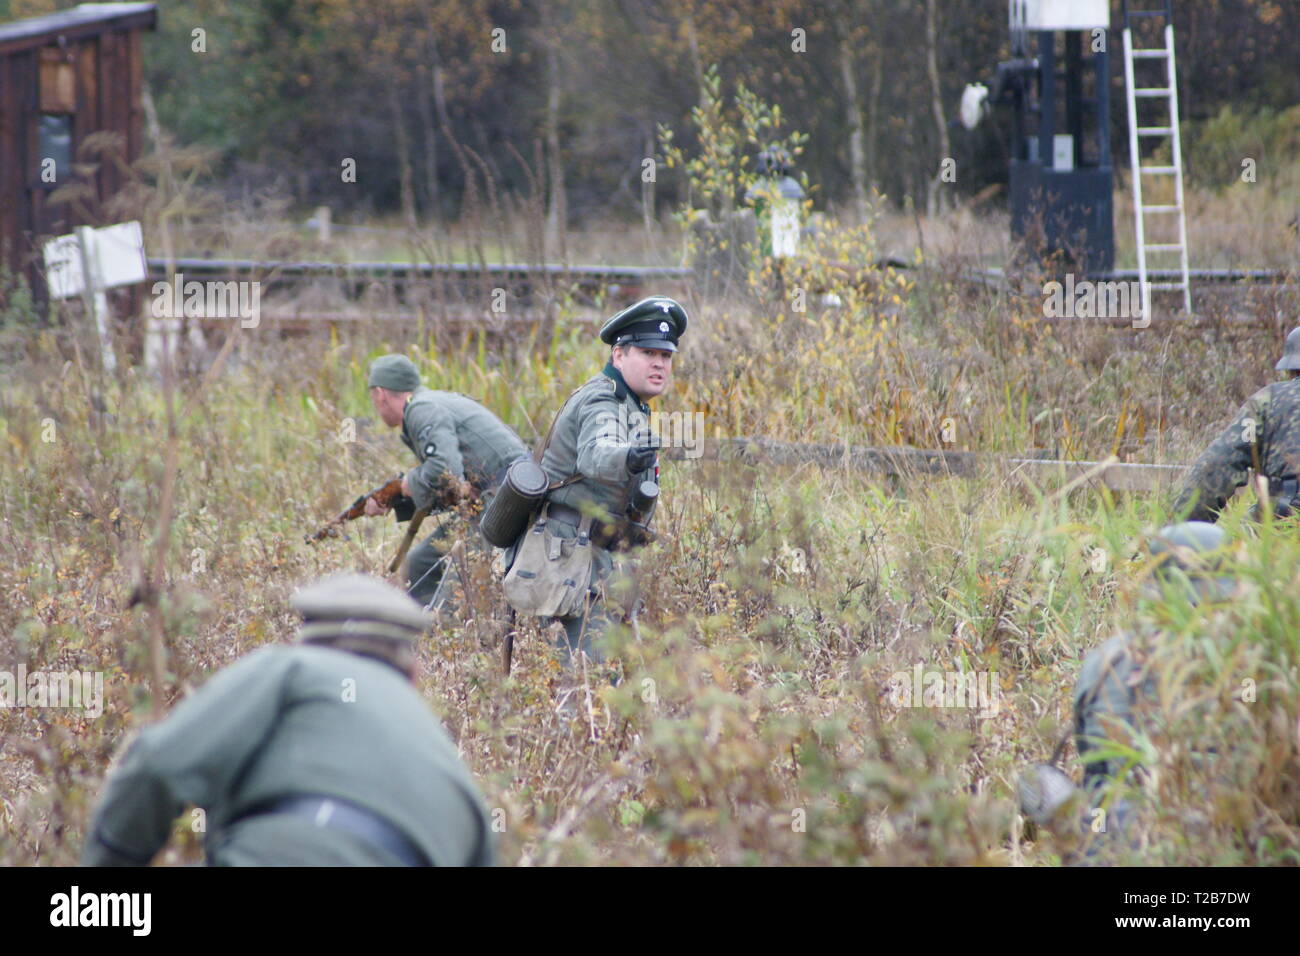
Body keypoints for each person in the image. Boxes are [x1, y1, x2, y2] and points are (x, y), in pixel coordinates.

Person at [82, 573, 494, 866]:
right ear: (412, 673)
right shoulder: (447, 759)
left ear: (305, 641)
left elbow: (156, 765)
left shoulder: (291, 669)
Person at [1019, 522, 1234, 846]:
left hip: (1109, 836)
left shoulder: (1105, 661)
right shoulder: (1246, 663)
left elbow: (1091, 753)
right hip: (1218, 835)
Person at [507, 296, 687, 665]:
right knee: (588, 679)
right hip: (573, 558)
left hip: (599, 556)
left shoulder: (630, 403)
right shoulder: (603, 402)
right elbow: (596, 453)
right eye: (648, 352)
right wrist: (629, 457)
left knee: (608, 678)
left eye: (666, 356)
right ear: (619, 355)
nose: (659, 364)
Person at [366, 354, 526, 606]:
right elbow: (456, 485)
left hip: (504, 502)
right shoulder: (432, 402)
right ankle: (422, 635)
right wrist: (397, 499)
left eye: (374, 397)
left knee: (453, 597)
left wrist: (409, 483)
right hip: (494, 499)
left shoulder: (421, 408)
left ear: (380, 393)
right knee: (420, 564)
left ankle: (446, 635)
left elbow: (444, 468)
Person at [1173, 325, 1300, 522]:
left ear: (1291, 368)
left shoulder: (1269, 401)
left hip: (1286, 517)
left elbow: (1216, 465)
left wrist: (1182, 533)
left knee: (1235, 540)